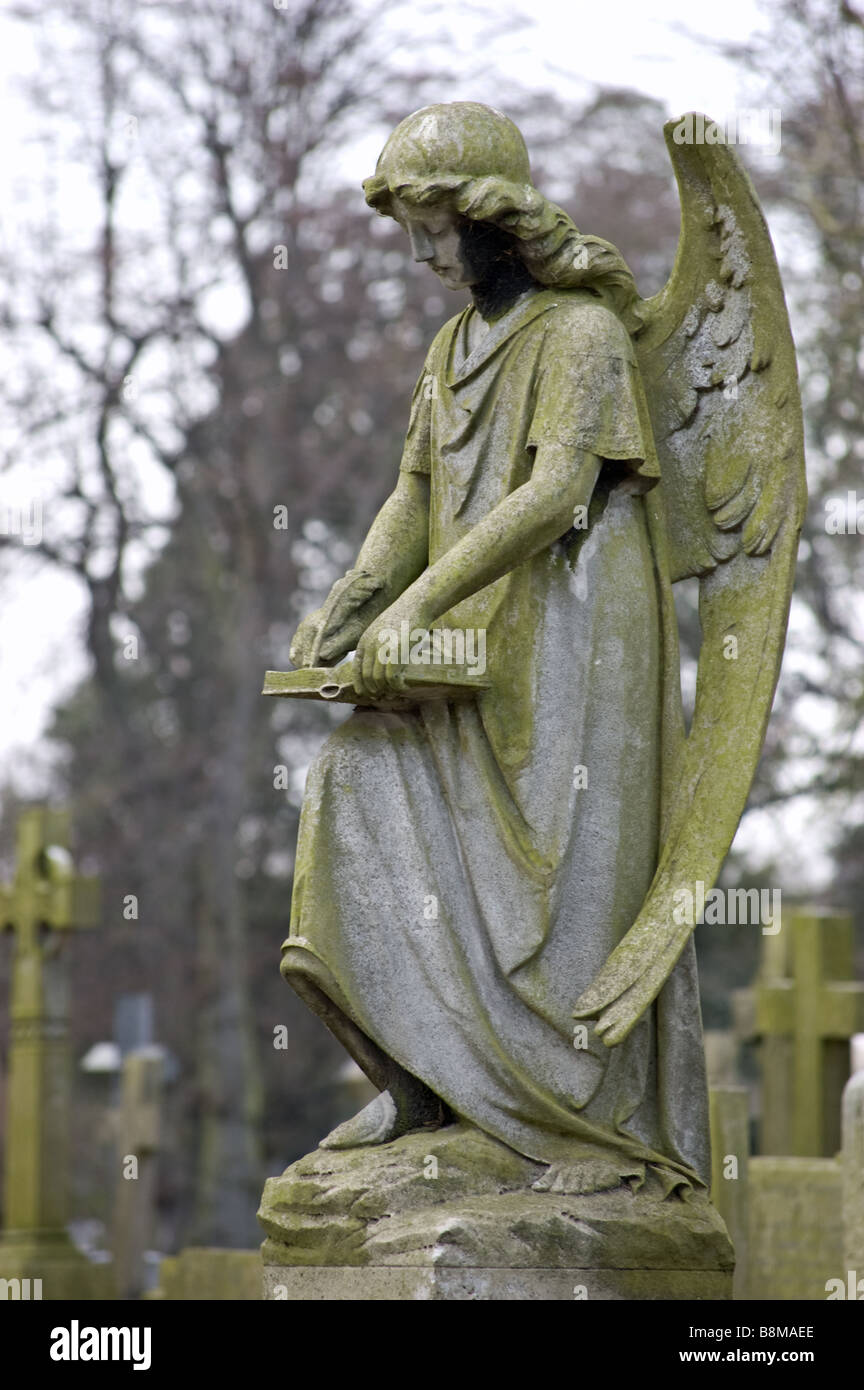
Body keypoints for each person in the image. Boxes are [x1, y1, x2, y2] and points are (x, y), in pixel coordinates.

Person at [283, 102, 708, 1195]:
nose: (421, 254)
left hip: (571, 622)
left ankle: (588, 1128)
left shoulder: (580, 335)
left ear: (493, 218)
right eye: (407, 230)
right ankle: (425, 1076)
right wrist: (353, 598)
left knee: (573, 870)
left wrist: (416, 606)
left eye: (433, 227)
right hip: (470, 619)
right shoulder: (453, 346)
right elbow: (414, 493)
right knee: (346, 782)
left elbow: (558, 488)